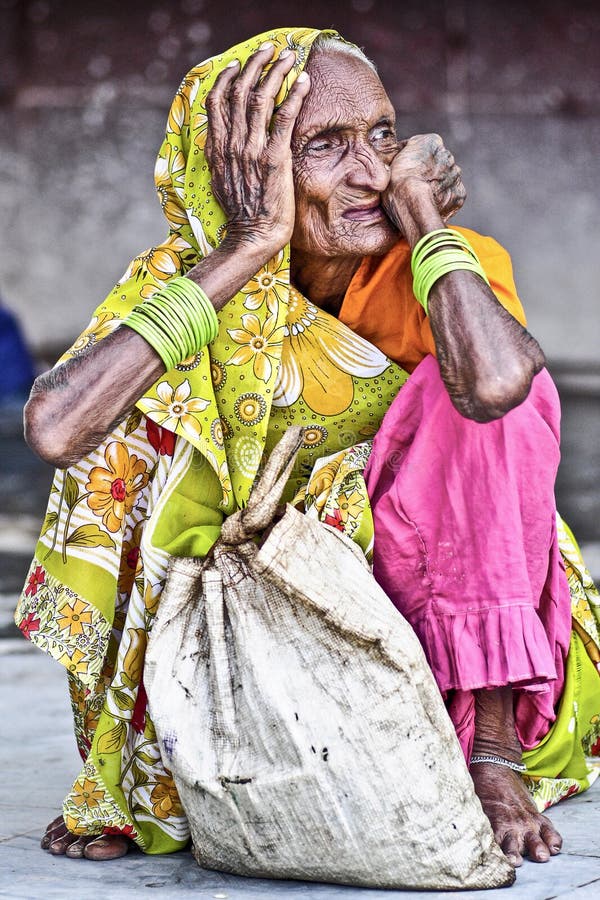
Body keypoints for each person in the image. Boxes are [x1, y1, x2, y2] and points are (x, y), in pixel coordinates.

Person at [17, 26, 599, 869]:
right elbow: (58, 430)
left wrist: (429, 221)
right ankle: (145, 767)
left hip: (432, 653)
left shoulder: (440, 269)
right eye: (325, 145)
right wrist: (248, 248)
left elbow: (505, 389)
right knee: (136, 412)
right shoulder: (186, 277)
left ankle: (490, 749)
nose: (372, 173)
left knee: (474, 394)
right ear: (234, 168)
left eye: (384, 136)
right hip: (249, 648)